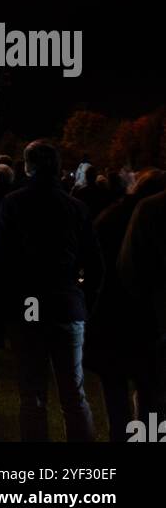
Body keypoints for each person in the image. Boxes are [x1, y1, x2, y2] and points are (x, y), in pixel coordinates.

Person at [0, 139, 104, 442]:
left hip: (28, 304)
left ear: (27, 167)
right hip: (66, 302)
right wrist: (83, 299)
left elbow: (0, 260)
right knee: (73, 395)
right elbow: (95, 264)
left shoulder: (13, 203)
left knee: (32, 395)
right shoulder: (75, 207)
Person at [85, 170, 166, 440]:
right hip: (147, 321)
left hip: (112, 318)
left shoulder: (109, 218)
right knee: (151, 395)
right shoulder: (152, 217)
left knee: (116, 394)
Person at [118, 184, 166, 422]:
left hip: (156, 322)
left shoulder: (150, 209)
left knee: (152, 400)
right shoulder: (149, 209)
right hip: (155, 321)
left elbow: (129, 270)